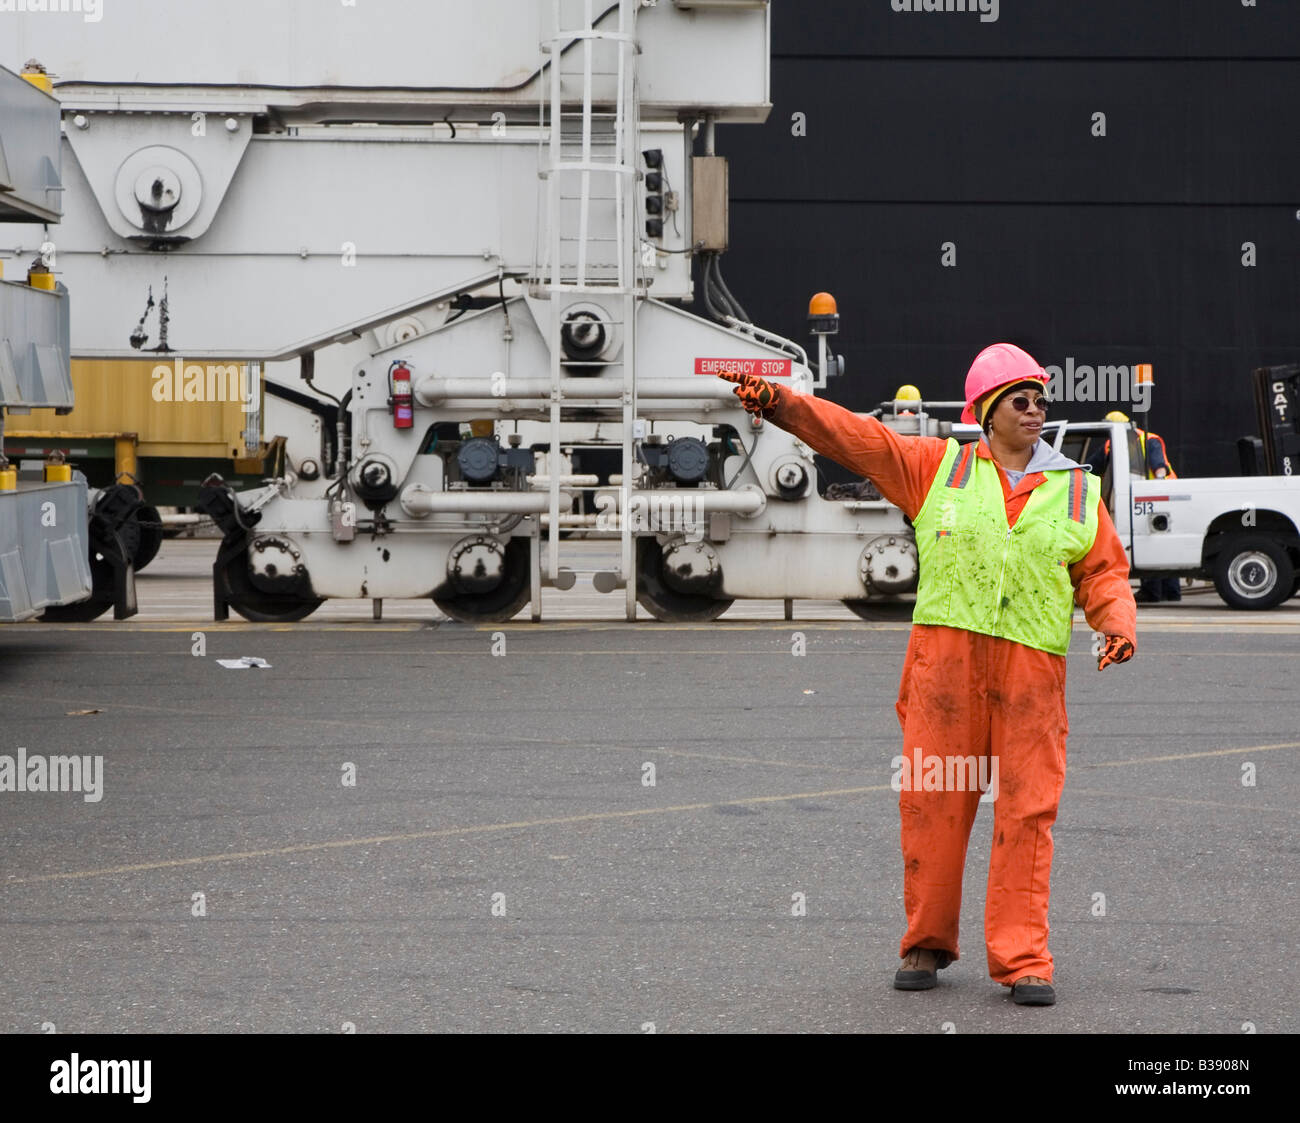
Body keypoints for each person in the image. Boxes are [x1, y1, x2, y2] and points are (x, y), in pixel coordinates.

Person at [719, 342, 1137, 1007]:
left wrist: (1117, 624)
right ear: (987, 411)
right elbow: (856, 439)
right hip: (945, 671)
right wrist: (782, 404)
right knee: (933, 806)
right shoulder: (933, 468)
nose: (1035, 411)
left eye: (1040, 401)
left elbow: (1104, 572)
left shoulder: (1079, 489)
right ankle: (926, 941)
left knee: (1028, 811)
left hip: (1032, 674)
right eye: (1020, 401)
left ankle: (1023, 958)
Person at [1091, 411, 1181, 602]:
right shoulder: (1112, 444)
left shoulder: (1147, 440)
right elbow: (1093, 466)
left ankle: (1155, 591)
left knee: (1149, 540)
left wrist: (1156, 491)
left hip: (1158, 495)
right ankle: (1171, 592)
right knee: (1160, 543)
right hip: (1143, 496)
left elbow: (1160, 468)